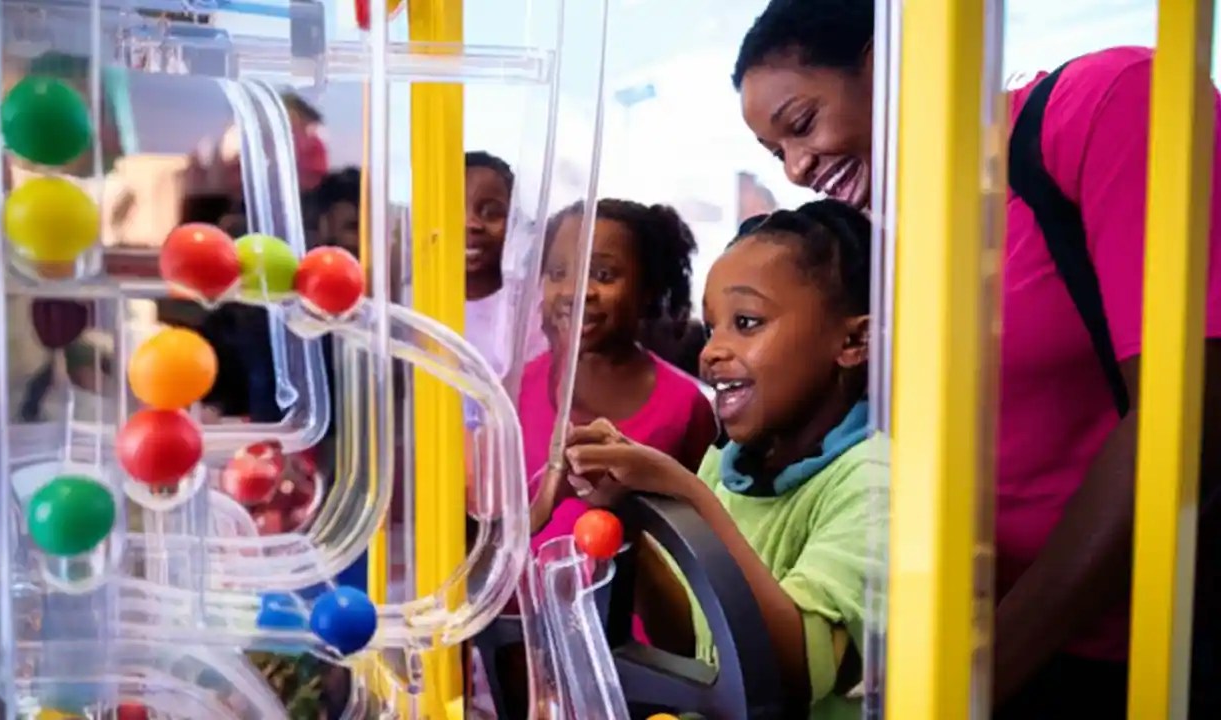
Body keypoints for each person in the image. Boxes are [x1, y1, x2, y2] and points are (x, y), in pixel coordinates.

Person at [730, 1, 1221, 716]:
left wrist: (986, 667)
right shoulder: (903, 240)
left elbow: (1186, 414)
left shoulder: (1107, 106)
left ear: (890, 60)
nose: (800, 168)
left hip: (1147, 652)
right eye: (778, 155)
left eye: (801, 124)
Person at [565, 200, 884, 719]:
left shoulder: (873, 483)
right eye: (712, 327)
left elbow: (788, 677)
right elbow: (693, 645)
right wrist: (632, 514)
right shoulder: (729, 463)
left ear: (852, 340)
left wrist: (689, 495)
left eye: (747, 322)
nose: (711, 351)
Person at [521, 198, 718, 550]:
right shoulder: (517, 389)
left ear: (648, 290)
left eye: (603, 275)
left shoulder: (686, 406)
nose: (573, 292)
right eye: (557, 273)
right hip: (520, 604)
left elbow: (700, 530)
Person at [464, 151, 549, 378]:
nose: (470, 223)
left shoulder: (537, 308)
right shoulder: (415, 298)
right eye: (452, 211)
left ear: (515, 223)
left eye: (491, 213)